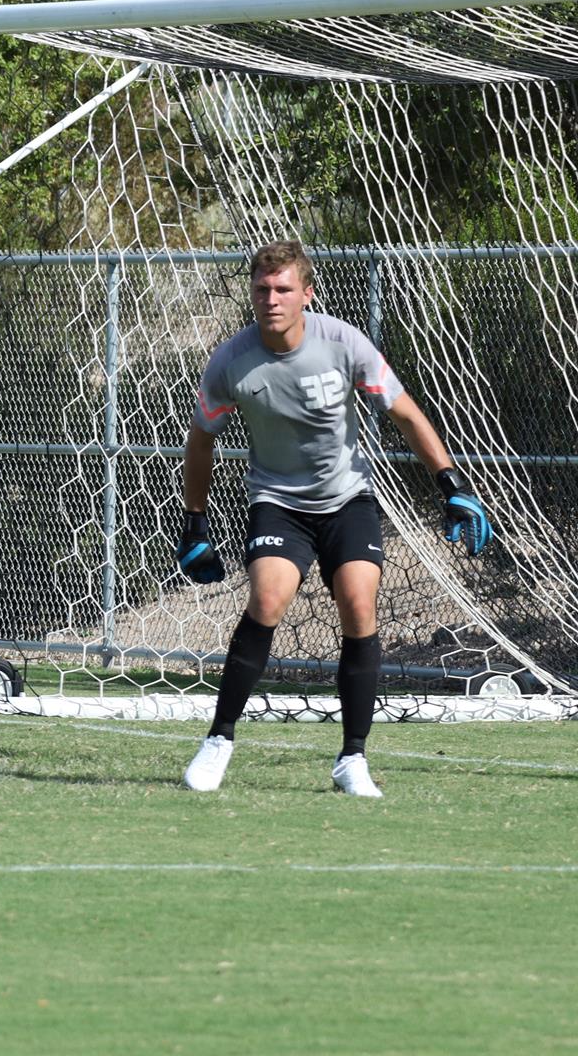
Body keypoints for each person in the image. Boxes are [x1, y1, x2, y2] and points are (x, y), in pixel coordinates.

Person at [176, 240, 493, 798]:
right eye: (261, 289)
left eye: (283, 289)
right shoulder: (231, 361)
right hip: (277, 500)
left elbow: (404, 412)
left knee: (359, 603)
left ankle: (352, 759)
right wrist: (195, 524)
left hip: (348, 498)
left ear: (307, 294)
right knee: (267, 598)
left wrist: (452, 485)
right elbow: (201, 442)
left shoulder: (343, 343)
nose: (271, 299)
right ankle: (218, 741)